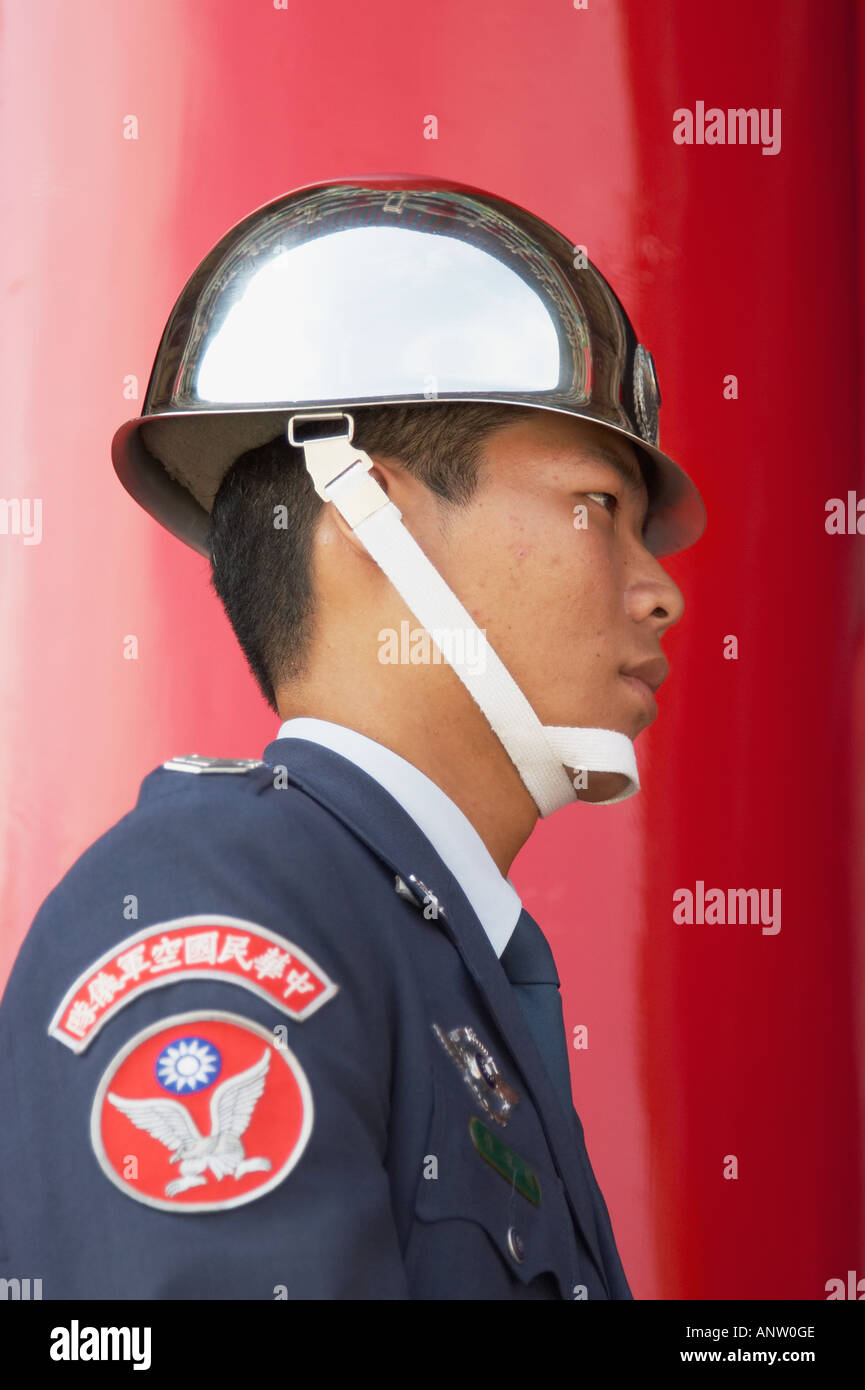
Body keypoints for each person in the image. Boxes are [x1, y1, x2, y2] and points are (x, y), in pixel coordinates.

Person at [0, 176, 705, 1300]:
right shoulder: (219, 908)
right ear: (369, 522)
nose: (660, 591)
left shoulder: (438, 943)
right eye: (597, 506)